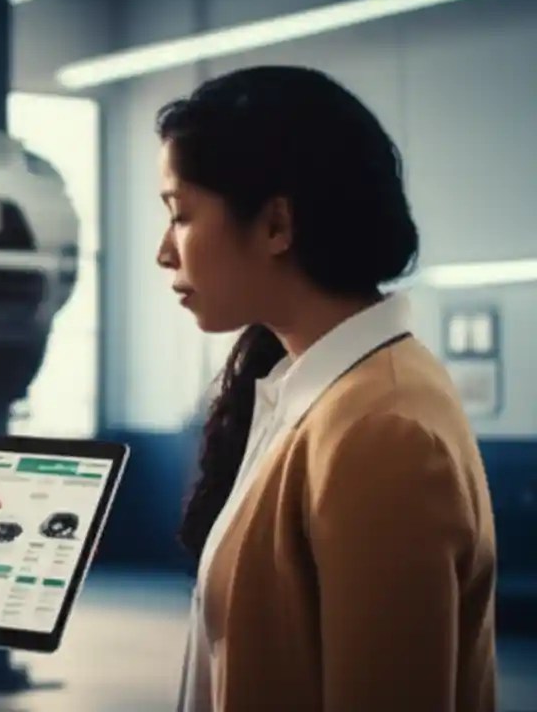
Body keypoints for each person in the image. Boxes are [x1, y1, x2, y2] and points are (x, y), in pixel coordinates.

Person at [153, 66, 498, 712]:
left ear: (276, 225)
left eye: (180, 216)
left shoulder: (383, 434)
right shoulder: (310, 394)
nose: (164, 252)